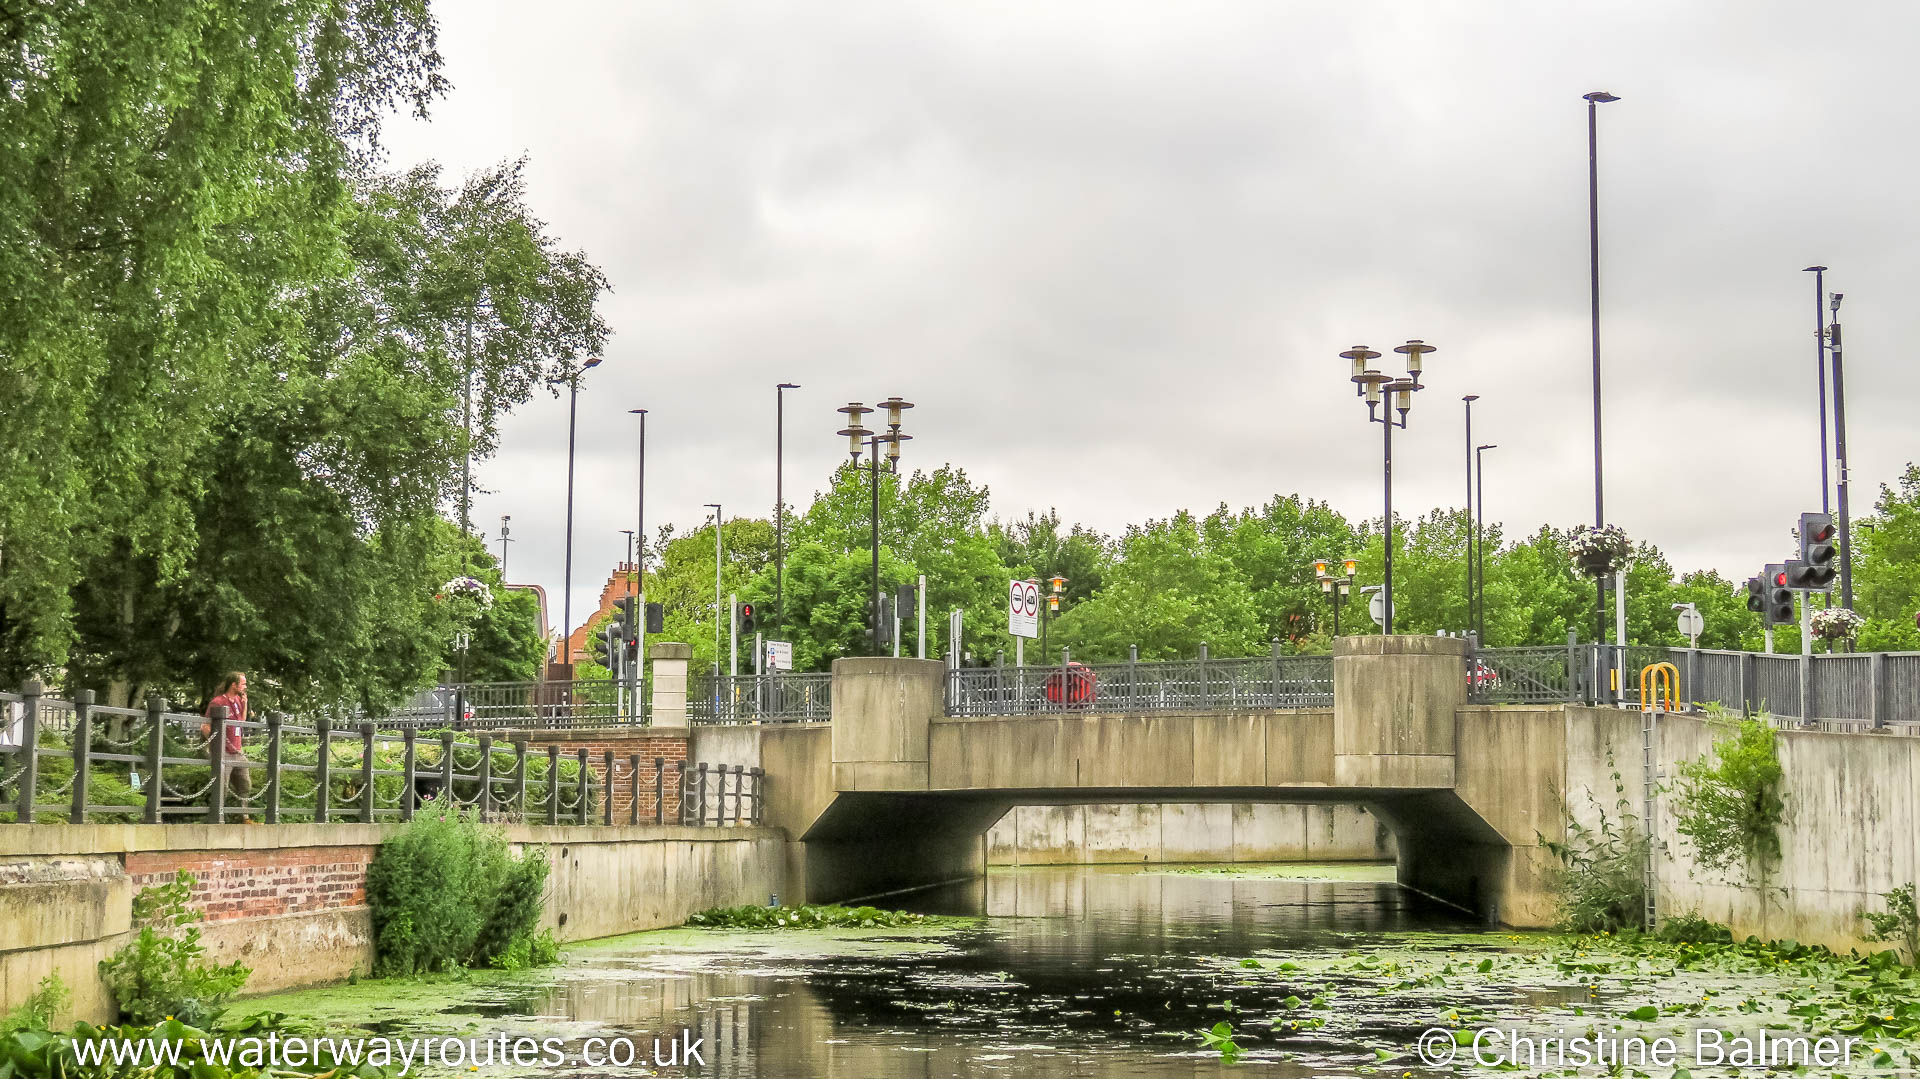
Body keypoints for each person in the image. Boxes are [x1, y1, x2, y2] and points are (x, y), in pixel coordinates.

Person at [202, 672, 253, 822]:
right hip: (224, 752)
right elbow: (205, 726)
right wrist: (216, 744)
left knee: (245, 784)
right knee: (221, 787)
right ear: (234, 685)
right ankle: (218, 818)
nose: (245, 686)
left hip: (237, 751)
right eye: (243, 684)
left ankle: (244, 817)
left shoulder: (238, 700)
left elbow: (241, 721)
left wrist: (245, 704)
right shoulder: (218, 702)